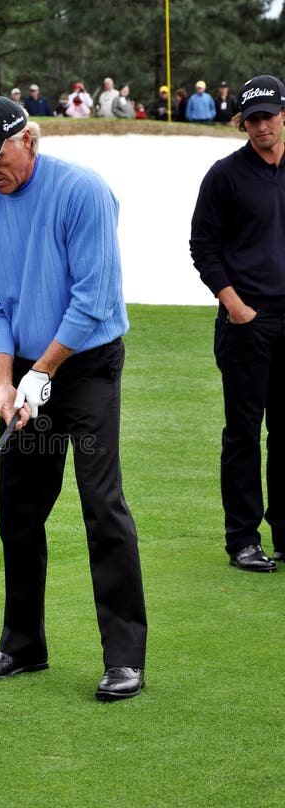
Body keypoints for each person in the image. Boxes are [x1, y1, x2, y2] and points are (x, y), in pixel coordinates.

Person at [0, 96, 148, 700]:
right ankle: (22, 646)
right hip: (25, 371)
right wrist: (4, 383)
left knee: (101, 502)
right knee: (17, 507)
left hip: (87, 365)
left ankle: (124, 658)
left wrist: (44, 371)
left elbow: (94, 296)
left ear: (28, 141)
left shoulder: (81, 191)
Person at [189, 74, 285, 573]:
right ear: (241, 123)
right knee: (244, 433)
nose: (261, 126)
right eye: (252, 119)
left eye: (268, 116)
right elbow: (202, 247)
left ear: (284, 114)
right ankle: (243, 539)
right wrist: (234, 305)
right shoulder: (225, 176)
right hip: (246, 322)